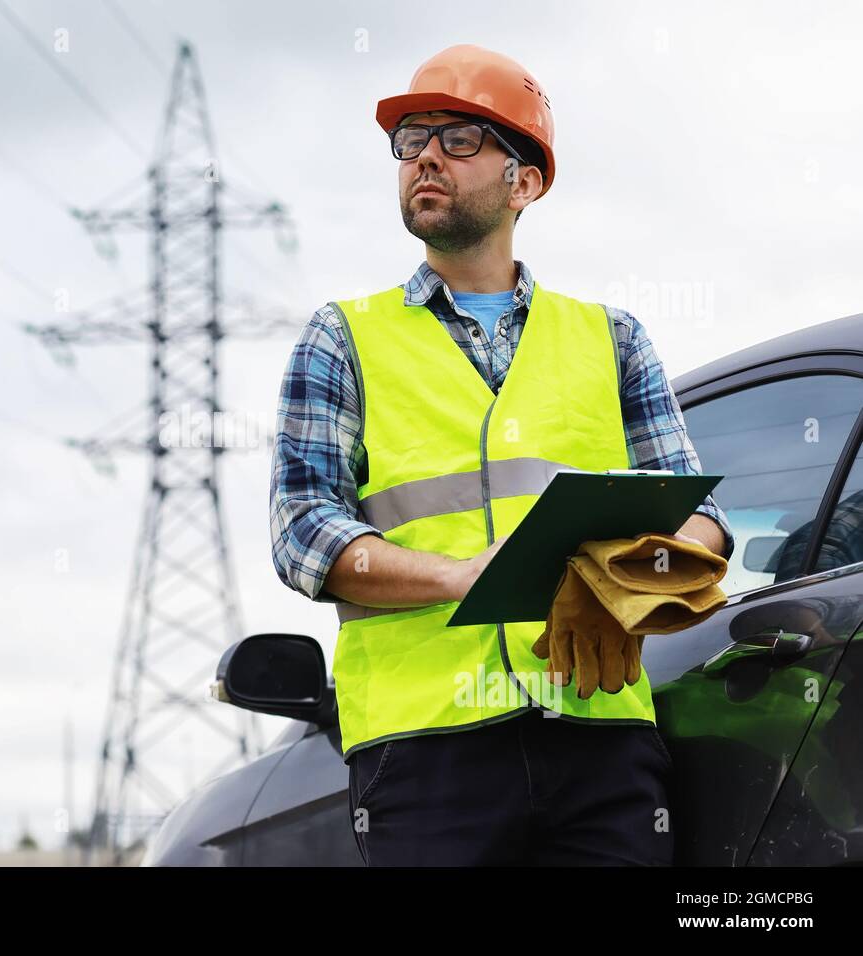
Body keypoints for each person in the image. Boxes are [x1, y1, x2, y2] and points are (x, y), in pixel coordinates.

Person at [268, 44, 734, 866]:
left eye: (458, 139)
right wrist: (465, 577)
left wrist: (623, 584)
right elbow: (302, 533)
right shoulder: (342, 338)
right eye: (411, 141)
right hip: (423, 754)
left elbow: (706, 526)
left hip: (598, 734)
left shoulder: (612, 339)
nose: (426, 159)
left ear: (523, 182)